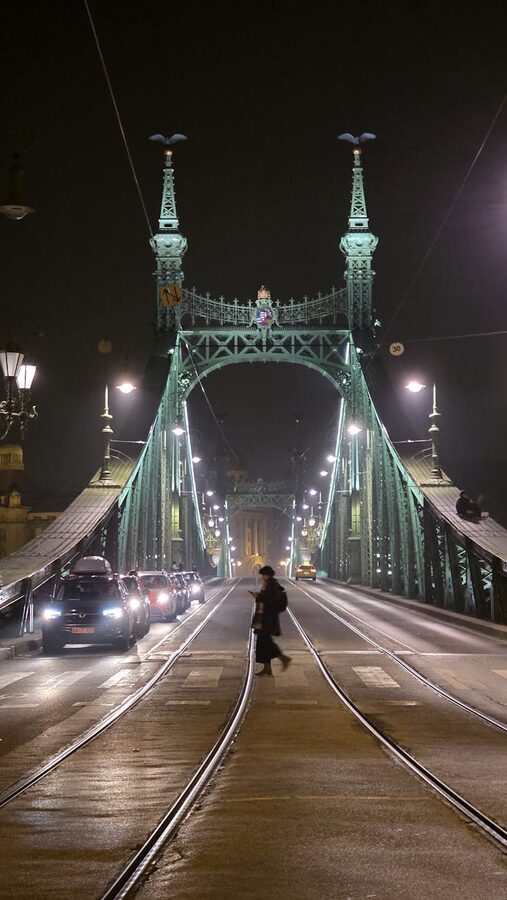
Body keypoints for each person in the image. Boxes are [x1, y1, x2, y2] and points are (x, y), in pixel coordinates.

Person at [249, 565, 291, 677]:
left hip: (268, 619)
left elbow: (270, 600)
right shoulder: (269, 583)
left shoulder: (272, 584)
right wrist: (259, 596)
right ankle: (267, 668)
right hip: (265, 617)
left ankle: (283, 658)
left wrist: (258, 596)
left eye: (263, 575)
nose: (262, 577)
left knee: (265, 641)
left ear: (267, 575)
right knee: (264, 643)